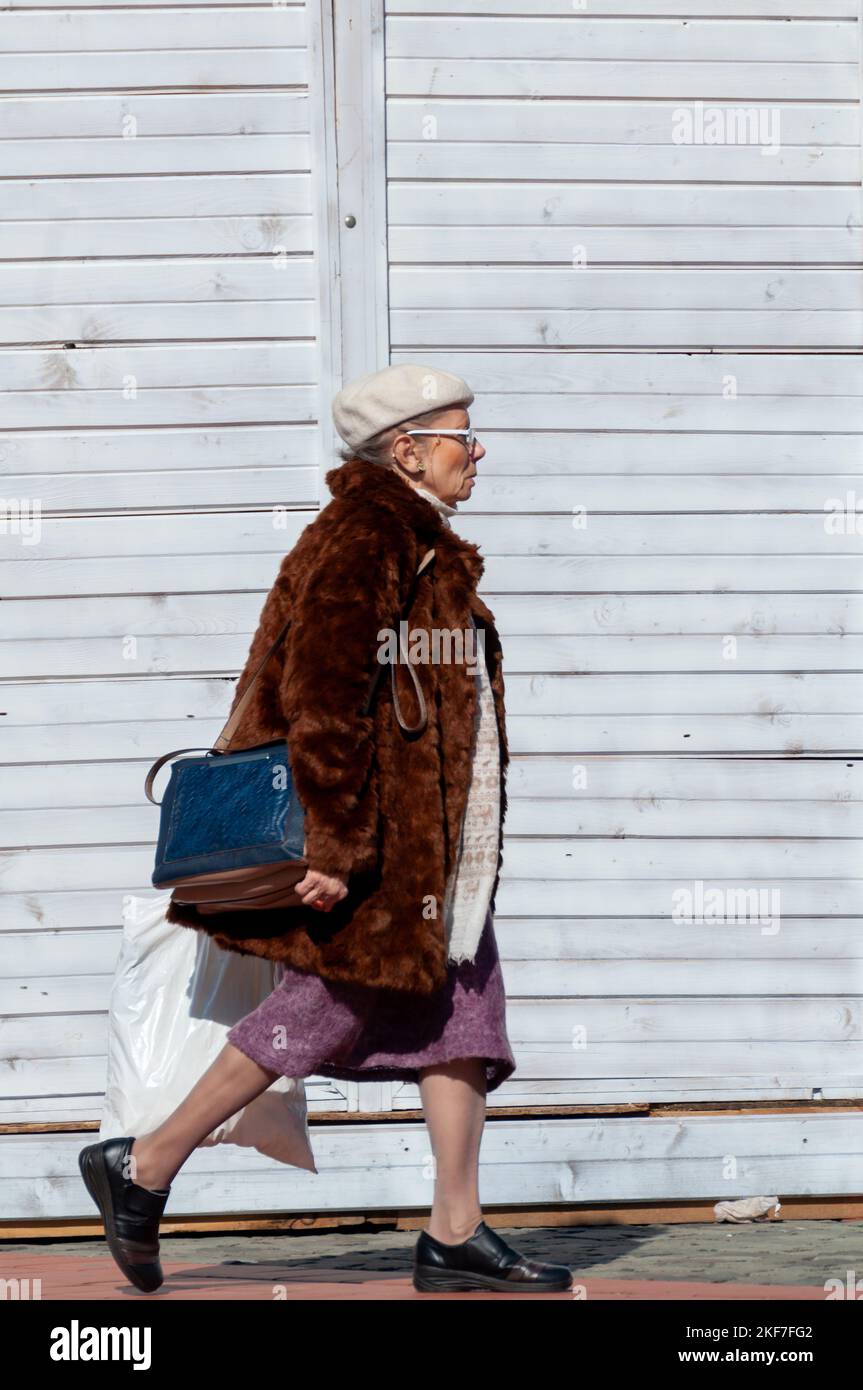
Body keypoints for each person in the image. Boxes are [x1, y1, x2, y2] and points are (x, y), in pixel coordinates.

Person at [79, 363, 573, 1296]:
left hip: (432, 846)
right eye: (462, 436)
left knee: (464, 1016)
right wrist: (337, 847)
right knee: (324, 1006)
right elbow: (323, 695)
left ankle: (455, 1233)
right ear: (407, 449)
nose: (477, 453)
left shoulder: (417, 536)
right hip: (377, 837)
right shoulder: (367, 531)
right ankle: (143, 1167)